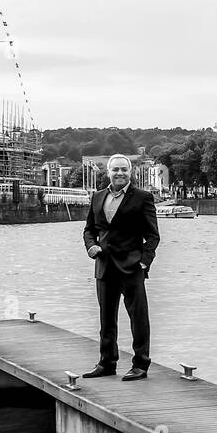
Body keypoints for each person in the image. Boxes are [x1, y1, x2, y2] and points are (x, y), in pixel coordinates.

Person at [81, 155, 161, 381]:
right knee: (106, 318)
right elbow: (89, 230)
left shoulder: (143, 198)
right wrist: (91, 246)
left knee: (138, 317)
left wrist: (144, 261)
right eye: (115, 169)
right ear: (108, 172)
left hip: (132, 266)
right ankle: (107, 363)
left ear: (130, 172)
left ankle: (141, 364)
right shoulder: (97, 197)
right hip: (104, 266)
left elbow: (153, 236)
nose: (120, 173)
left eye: (124, 169)